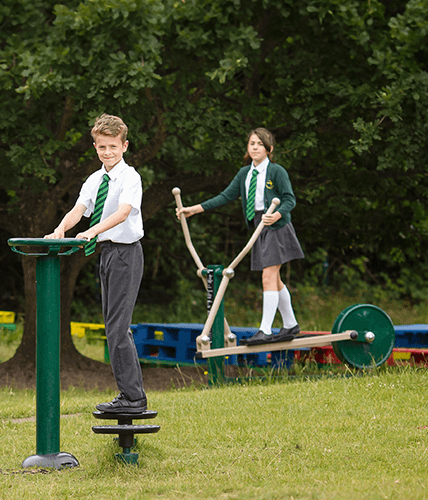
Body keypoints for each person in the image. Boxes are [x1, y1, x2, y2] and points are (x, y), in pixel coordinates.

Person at [46, 114, 147, 414]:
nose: (107, 152)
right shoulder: (95, 179)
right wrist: (61, 228)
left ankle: (133, 398)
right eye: (102, 147)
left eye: (113, 147)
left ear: (124, 145)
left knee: (118, 328)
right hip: (106, 254)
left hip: (126, 254)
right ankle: (128, 393)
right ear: (95, 146)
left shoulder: (130, 178)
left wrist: (93, 230)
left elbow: (123, 212)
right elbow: (79, 209)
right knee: (113, 327)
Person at [177, 127, 304, 345]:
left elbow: (289, 200)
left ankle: (265, 330)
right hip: (258, 227)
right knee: (275, 278)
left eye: (260, 144)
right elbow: (225, 196)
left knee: (268, 276)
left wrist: (277, 214)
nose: (255, 147)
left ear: (269, 149)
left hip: (277, 227)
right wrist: (194, 209)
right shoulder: (245, 173)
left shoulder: (276, 172)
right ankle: (291, 324)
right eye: (252, 143)